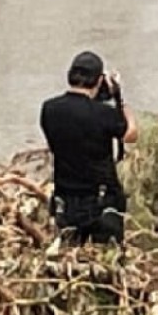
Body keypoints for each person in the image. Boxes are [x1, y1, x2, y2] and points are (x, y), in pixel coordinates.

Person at [40, 51, 137, 244]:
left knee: (69, 257)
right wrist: (120, 99)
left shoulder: (49, 109)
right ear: (99, 80)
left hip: (65, 199)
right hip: (101, 201)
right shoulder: (104, 114)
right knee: (106, 261)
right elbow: (131, 135)